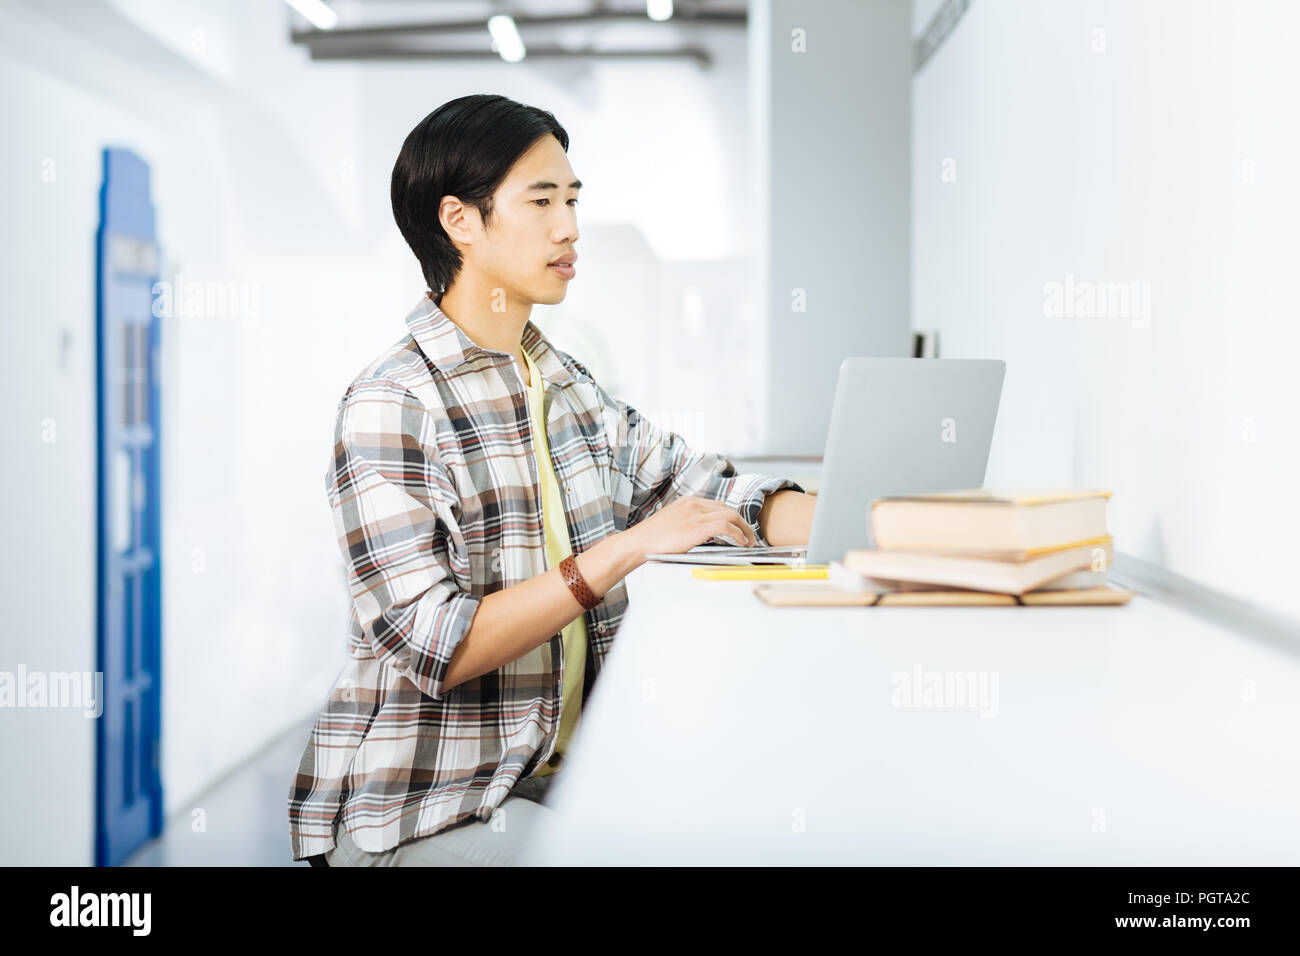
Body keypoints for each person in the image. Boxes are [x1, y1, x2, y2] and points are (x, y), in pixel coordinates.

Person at [287, 93, 817, 866]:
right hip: (427, 808)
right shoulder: (391, 404)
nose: (569, 227)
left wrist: (883, 521)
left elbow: (707, 487)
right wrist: (625, 550)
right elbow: (439, 646)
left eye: (572, 200)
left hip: (553, 781)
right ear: (459, 221)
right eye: (541, 201)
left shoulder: (563, 382)